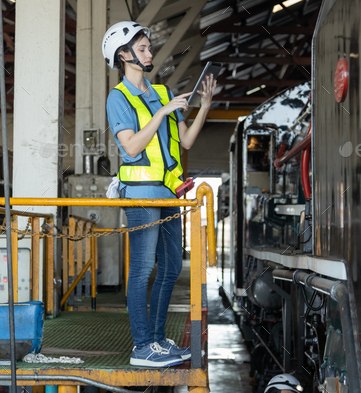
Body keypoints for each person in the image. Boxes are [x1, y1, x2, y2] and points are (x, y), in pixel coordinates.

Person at [102, 21, 216, 368]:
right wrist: (161, 114)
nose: (150, 53)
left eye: (149, 48)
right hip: (140, 194)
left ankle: (156, 341)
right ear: (123, 56)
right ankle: (141, 347)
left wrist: (205, 104)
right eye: (142, 49)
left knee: (170, 269)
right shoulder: (118, 98)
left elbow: (186, 141)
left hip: (169, 192)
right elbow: (132, 145)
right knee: (142, 270)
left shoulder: (163, 93)